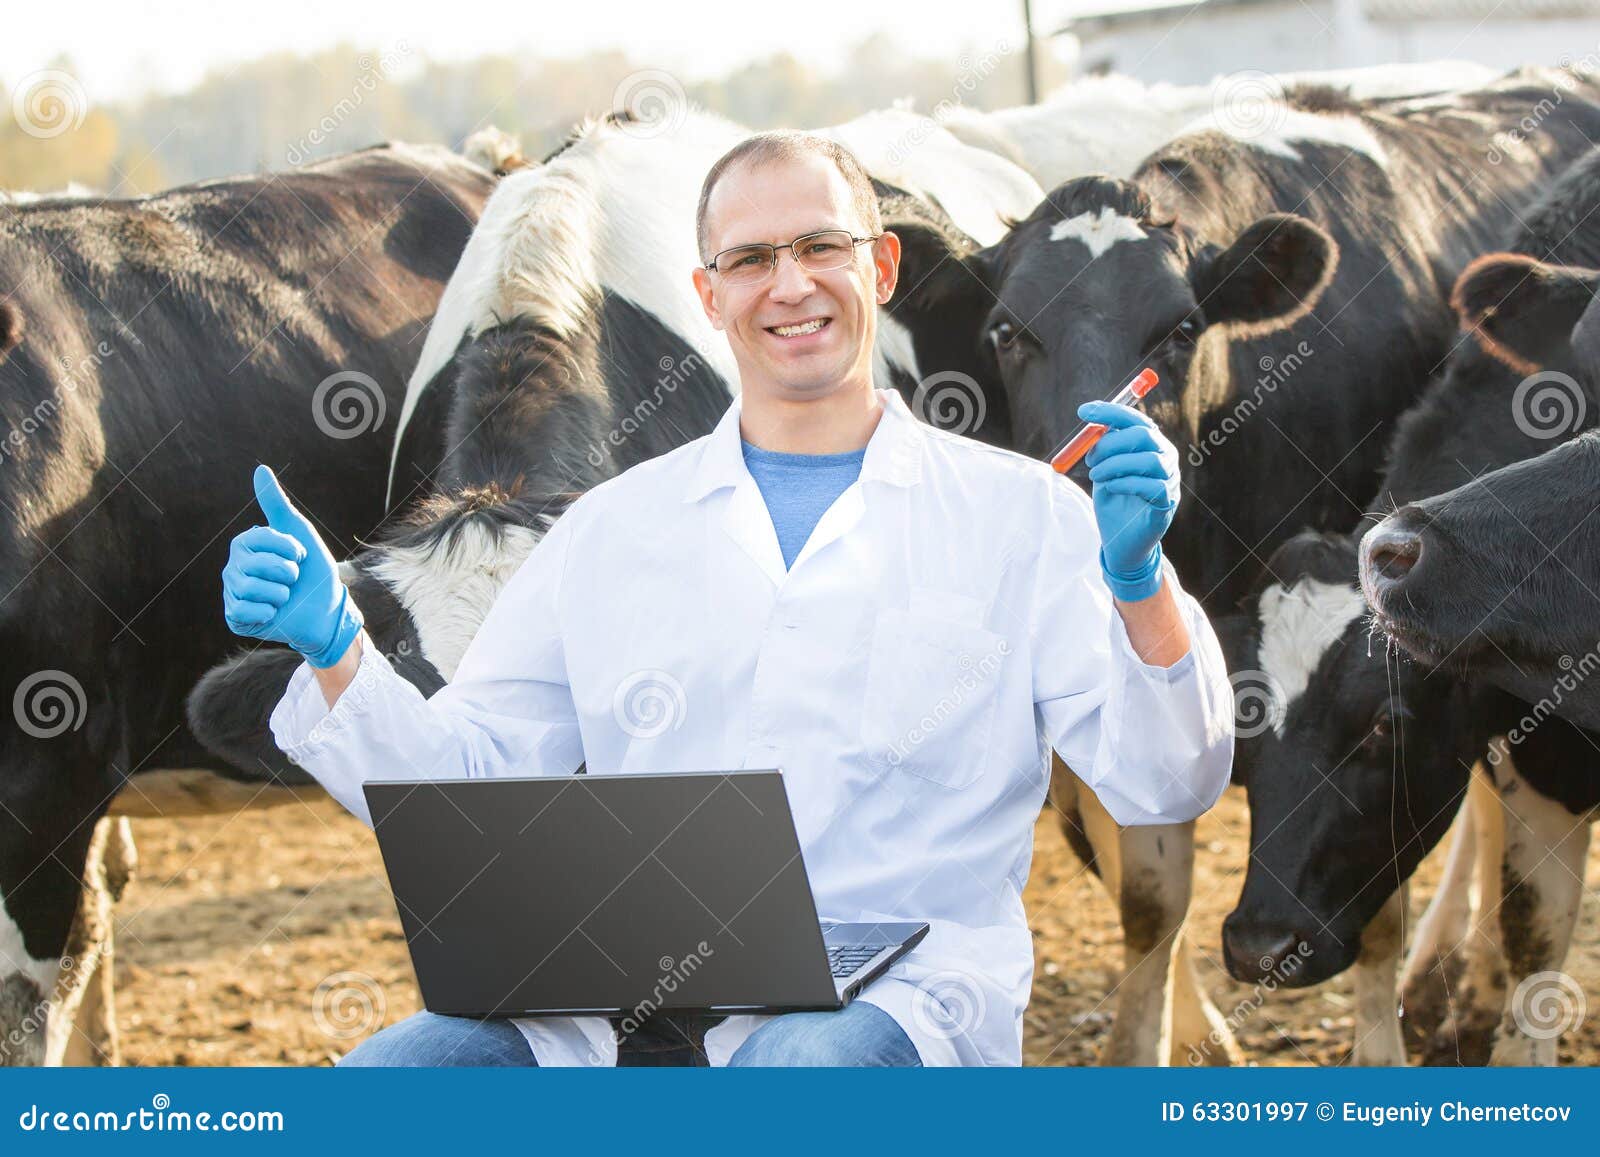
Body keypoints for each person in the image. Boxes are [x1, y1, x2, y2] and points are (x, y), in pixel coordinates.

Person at [221, 131, 1234, 1067]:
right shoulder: (607, 531)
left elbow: (1167, 780)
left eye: (821, 246)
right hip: (622, 1000)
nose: (790, 285)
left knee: (796, 1070)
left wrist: (1139, 584)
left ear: (882, 268)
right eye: (750, 260)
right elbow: (468, 782)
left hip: (896, 1002)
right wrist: (339, 649)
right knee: (392, 1076)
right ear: (708, 295)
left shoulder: (1023, 517)